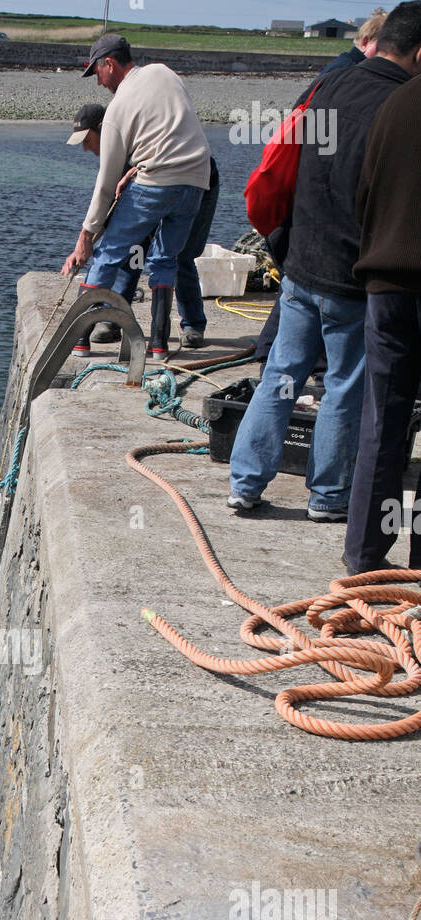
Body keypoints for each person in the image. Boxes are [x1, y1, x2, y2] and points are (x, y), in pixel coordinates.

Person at [227, 4, 421, 521]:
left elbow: (292, 163)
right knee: (344, 386)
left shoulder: (332, 85)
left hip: (302, 263)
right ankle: (329, 497)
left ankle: (244, 482)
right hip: (352, 275)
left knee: (280, 376)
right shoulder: (400, 107)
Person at [61, 34, 212, 360]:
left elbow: (106, 180)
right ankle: (159, 346)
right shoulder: (165, 73)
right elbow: (173, 131)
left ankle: (79, 341)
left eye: (96, 73)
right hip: (196, 182)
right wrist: (141, 165)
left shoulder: (117, 108)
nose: (99, 83)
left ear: (110, 64)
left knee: (109, 253)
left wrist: (86, 234)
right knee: (165, 260)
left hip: (156, 183)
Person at [255, 8, 388, 370]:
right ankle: (279, 355)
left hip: (305, 195)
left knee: (298, 287)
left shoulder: (335, 74)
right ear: (369, 43)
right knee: (307, 287)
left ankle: (272, 357)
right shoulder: (349, 77)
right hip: (315, 198)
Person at [343, 69, 421, 574]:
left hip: (386, 286)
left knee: (382, 423)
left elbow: (363, 193)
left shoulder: (397, 102)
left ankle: (364, 558)